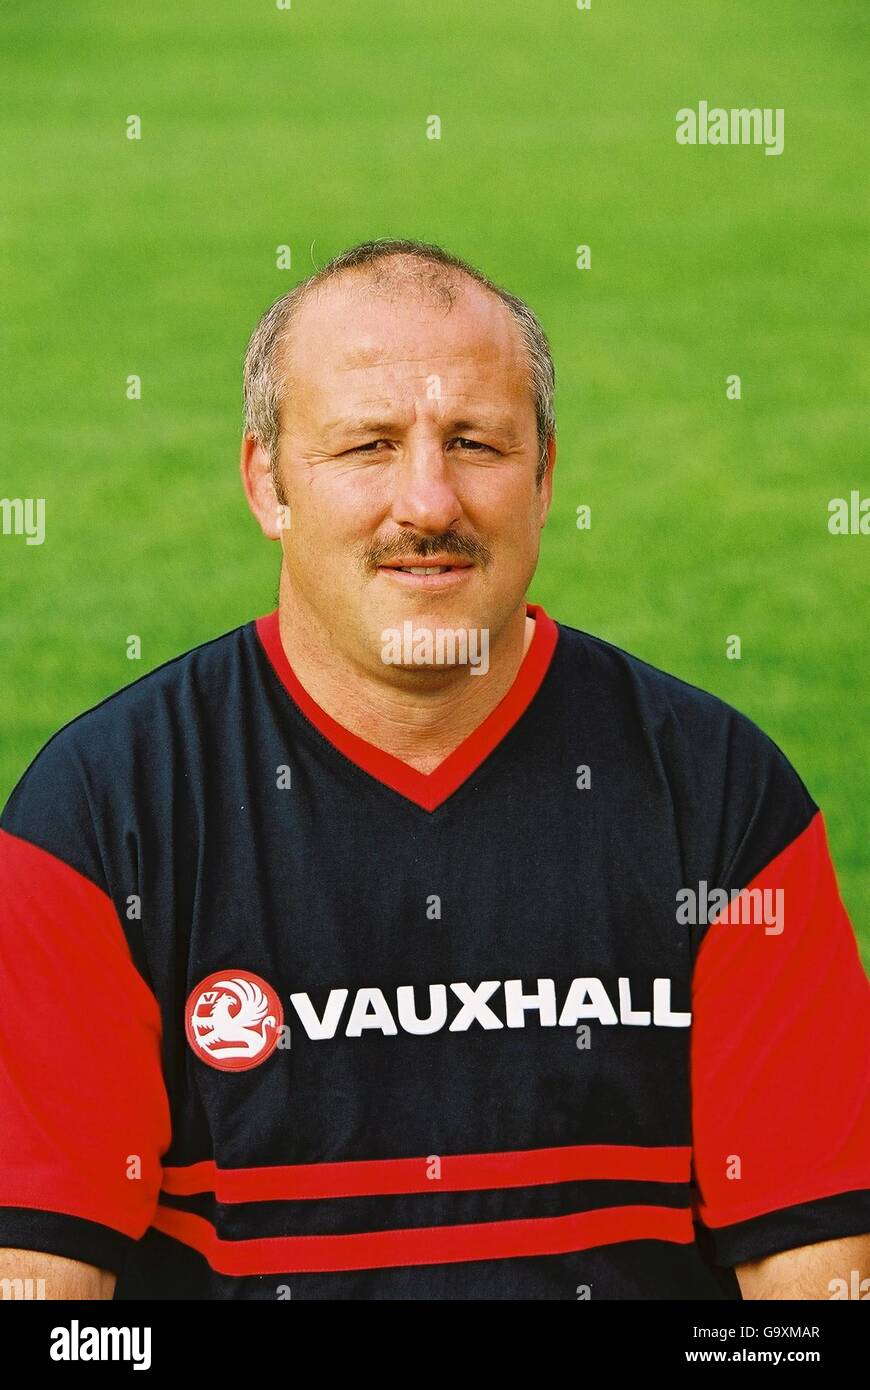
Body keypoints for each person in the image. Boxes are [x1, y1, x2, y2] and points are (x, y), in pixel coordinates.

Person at [0, 240, 867, 1301]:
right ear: (266, 482)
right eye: (367, 445)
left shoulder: (726, 801)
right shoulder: (99, 817)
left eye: (476, 443)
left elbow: (815, 1283)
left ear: (546, 477)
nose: (427, 502)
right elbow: (43, 1288)